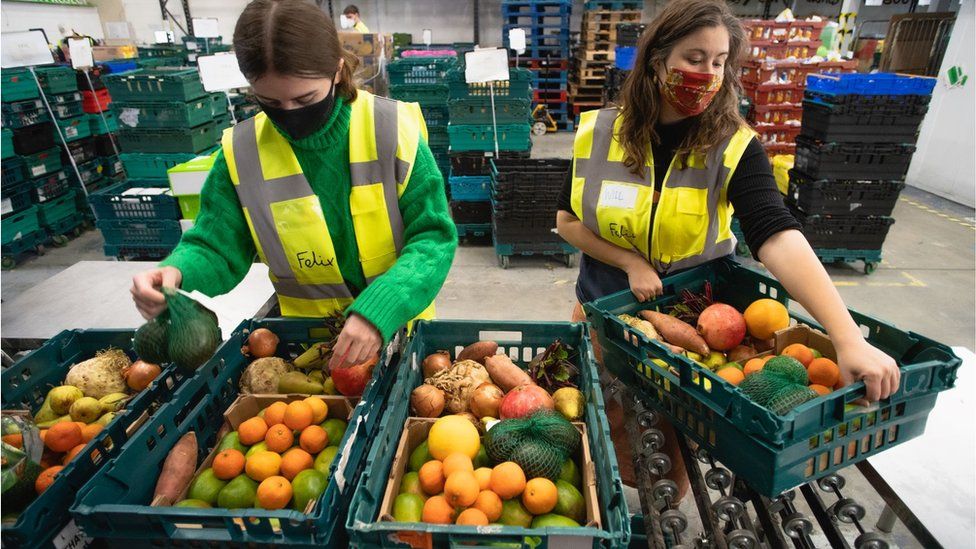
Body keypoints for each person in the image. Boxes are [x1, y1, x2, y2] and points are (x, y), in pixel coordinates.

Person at [556, 0, 899, 493]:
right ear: (658, 60)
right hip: (602, 314)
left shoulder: (732, 144)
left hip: (691, 329)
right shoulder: (598, 133)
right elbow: (567, 221)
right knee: (594, 432)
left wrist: (845, 336)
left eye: (719, 62)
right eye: (694, 58)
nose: (707, 73)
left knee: (662, 450)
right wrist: (628, 260)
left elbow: (775, 232)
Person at [130, 0, 457, 371]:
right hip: (308, 348)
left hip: (402, 330)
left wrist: (380, 307)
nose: (290, 115)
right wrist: (177, 270)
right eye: (270, 101)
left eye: (305, 99)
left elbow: (433, 238)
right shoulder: (242, 153)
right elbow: (217, 244)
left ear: (336, 71)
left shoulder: (392, 130)